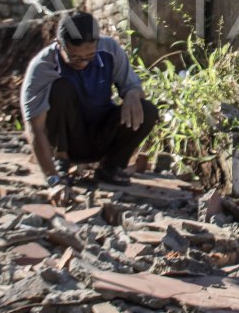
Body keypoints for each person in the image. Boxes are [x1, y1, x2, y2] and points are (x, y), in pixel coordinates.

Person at [20, 11, 157, 197]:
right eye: (75, 57)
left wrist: (132, 95)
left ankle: (111, 166)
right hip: (67, 139)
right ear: (59, 44)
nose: (83, 63)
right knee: (60, 88)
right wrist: (51, 179)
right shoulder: (43, 67)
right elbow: (34, 127)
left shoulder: (109, 49)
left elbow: (133, 86)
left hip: (100, 134)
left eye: (89, 56)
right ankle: (62, 163)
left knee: (147, 110)